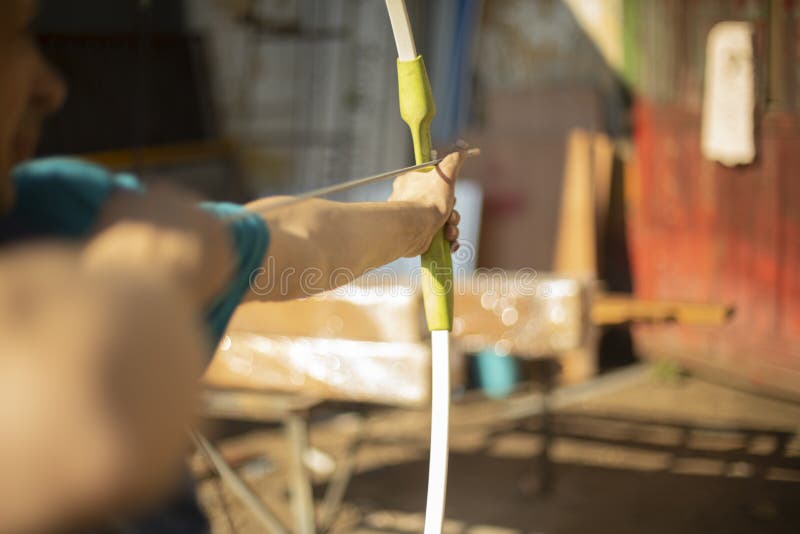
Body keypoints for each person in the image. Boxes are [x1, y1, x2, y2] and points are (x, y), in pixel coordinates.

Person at [0, 0, 464, 531]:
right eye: (10, 36)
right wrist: (135, 298)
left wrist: (417, 217)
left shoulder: (54, 204)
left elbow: (292, 240)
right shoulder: (120, 257)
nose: (49, 87)